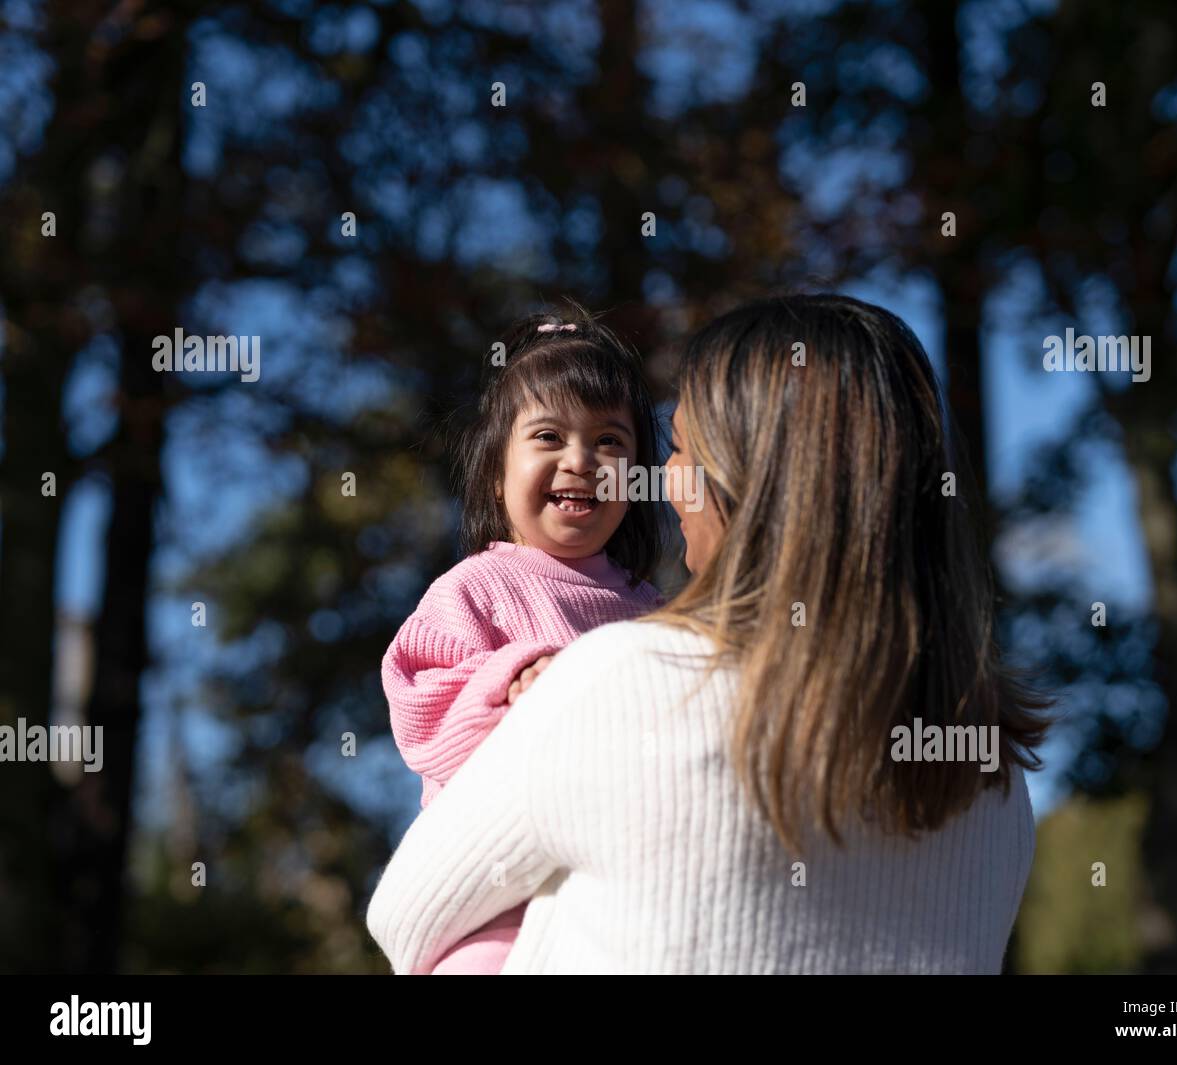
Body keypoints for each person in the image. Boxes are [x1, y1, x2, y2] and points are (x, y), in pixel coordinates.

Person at [368, 293, 1053, 974]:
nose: (664, 479)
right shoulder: (992, 774)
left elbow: (405, 913)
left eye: (684, 450)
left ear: (755, 481)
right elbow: (424, 686)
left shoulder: (625, 677)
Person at [379, 303, 663, 973]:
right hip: (493, 898)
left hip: (612, 896)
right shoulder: (477, 587)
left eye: (611, 441)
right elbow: (420, 700)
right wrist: (512, 678)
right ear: (495, 467)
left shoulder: (653, 612)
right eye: (548, 435)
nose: (582, 460)